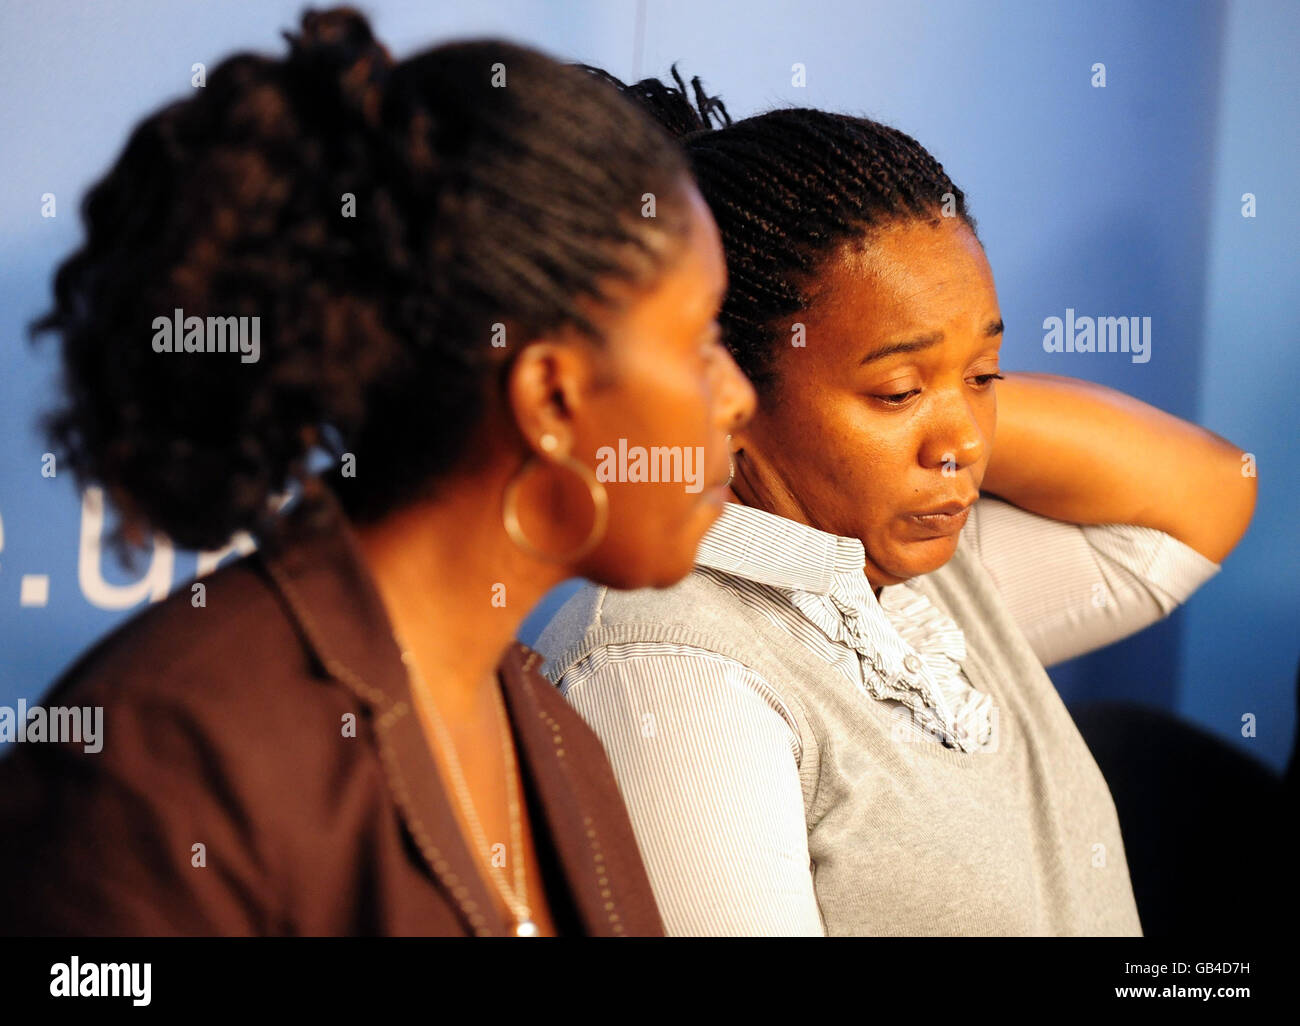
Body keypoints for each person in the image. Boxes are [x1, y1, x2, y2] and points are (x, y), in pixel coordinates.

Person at [0, 14, 754, 936]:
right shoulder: (159, 770)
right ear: (550, 396)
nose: (737, 396)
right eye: (702, 341)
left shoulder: (557, 739)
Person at [535, 69, 1258, 936]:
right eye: (893, 392)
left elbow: (1208, 497)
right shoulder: (673, 665)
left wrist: (934, 379)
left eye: (986, 375)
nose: (964, 446)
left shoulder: (917, 576)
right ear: (723, 381)